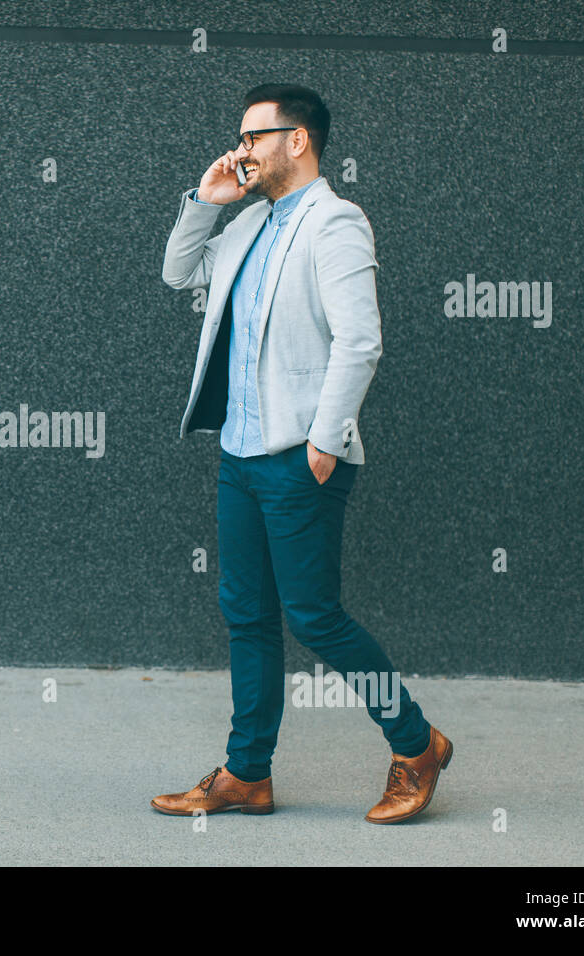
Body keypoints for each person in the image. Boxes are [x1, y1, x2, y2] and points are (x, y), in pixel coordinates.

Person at [154, 84, 452, 823]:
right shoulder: (249, 223)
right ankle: (247, 774)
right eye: (240, 135)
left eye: (257, 136)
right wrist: (207, 198)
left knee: (315, 617)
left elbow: (361, 340)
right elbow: (178, 273)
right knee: (247, 614)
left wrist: (324, 442)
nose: (242, 149)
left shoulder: (336, 223)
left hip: (299, 459)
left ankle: (418, 745)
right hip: (239, 455)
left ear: (299, 141)